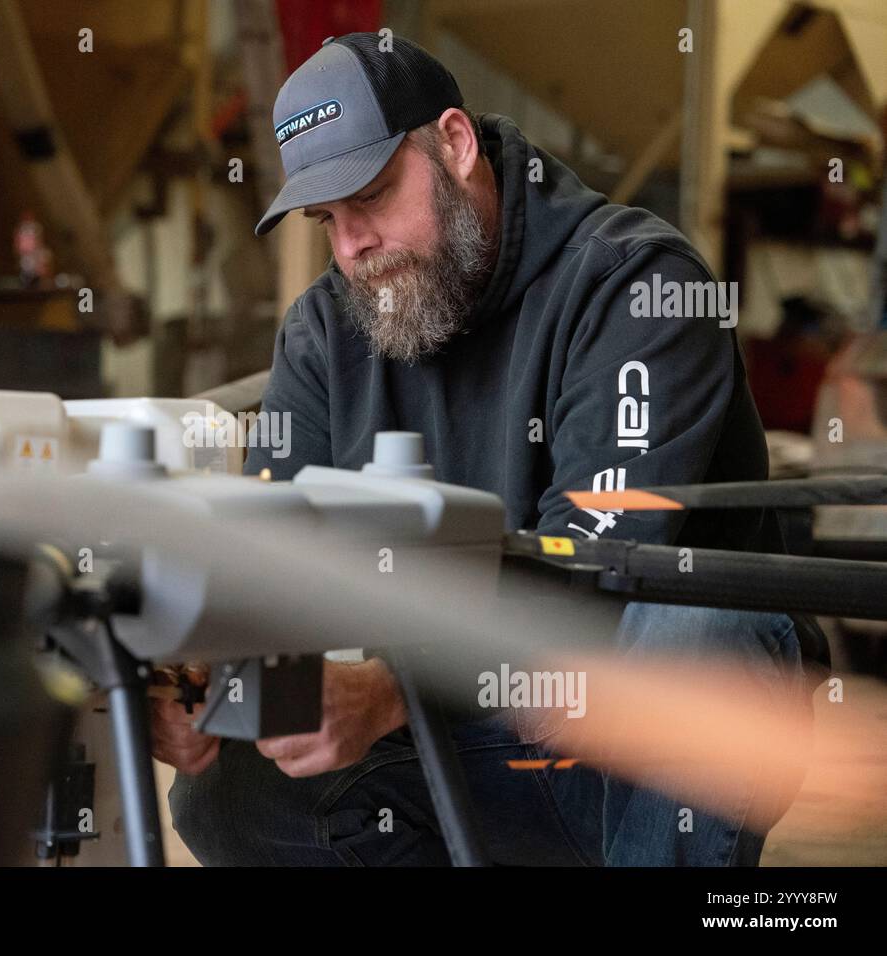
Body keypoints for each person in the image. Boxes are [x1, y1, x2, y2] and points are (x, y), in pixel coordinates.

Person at [154, 32, 823, 866]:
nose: (352, 243)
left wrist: (393, 689)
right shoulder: (327, 330)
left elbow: (599, 573)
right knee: (230, 792)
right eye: (328, 219)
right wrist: (190, 677)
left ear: (456, 145)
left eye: (371, 194)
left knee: (694, 632)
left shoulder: (637, 286)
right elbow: (276, 564)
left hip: (632, 737)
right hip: (464, 739)